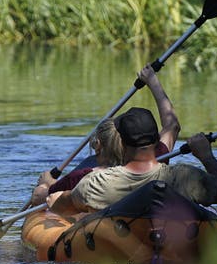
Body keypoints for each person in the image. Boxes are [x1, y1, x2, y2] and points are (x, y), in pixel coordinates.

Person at [28, 66, 180, 206]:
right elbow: (172, 126)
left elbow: (40, 198)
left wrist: (46, 183)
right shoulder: (158, 157)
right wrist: (153, 81)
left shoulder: (86, 177)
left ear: (99, 145)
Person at [46, 106, 217, 216]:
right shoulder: (185, 177)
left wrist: (48, 195)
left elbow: (58, 204)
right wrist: (206, 156)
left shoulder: (95, 183)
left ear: (122, 141)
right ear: (157, 139)